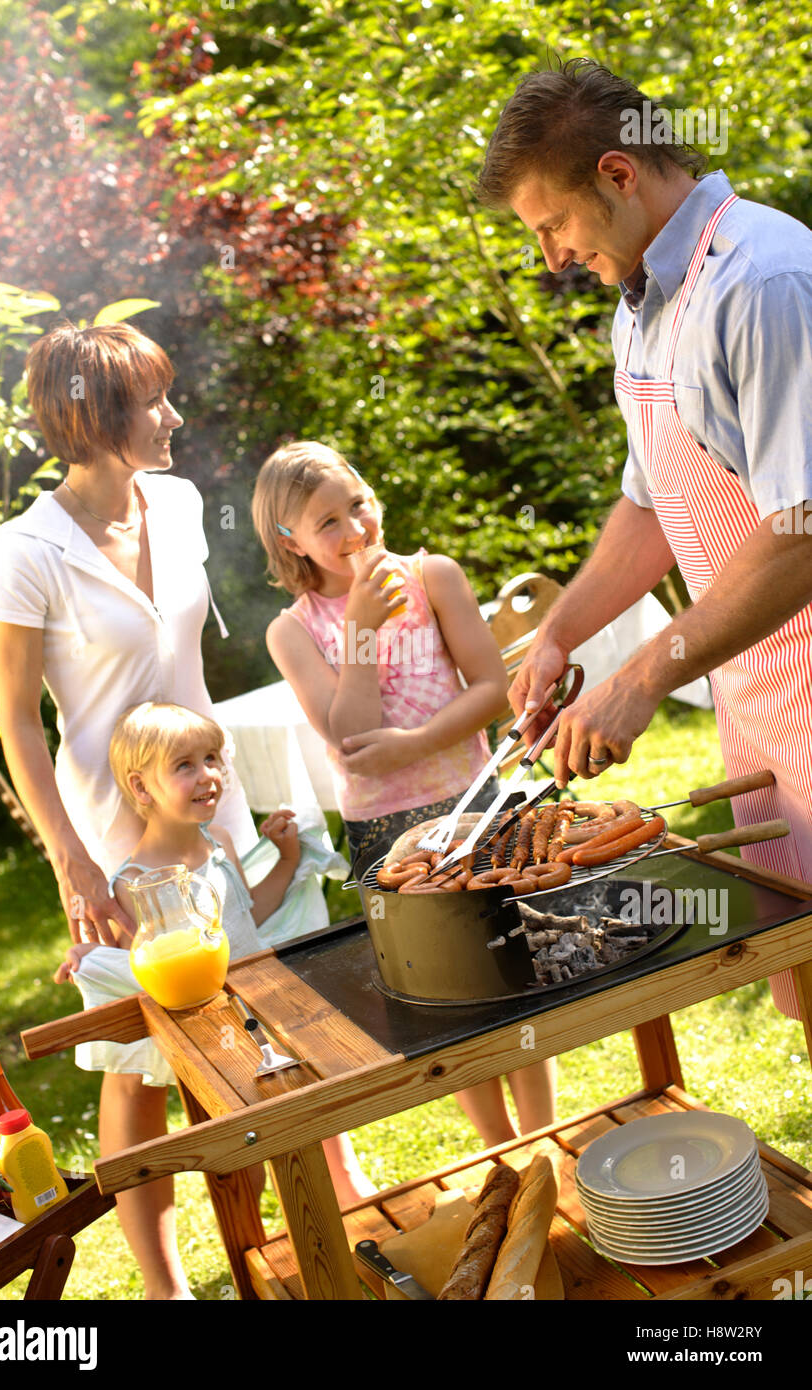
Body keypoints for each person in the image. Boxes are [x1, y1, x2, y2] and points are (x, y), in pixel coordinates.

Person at [475, 56, 812, 1020]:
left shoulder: (763, 278)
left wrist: (643, 675)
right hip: (762, 702)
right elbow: (653, 503)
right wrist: (562, 636)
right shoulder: (644, 305)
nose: (550, 258)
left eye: (554, 225)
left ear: (619, 176)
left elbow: (802, 534)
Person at [251, 439, 556, 1144]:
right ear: (287, 539)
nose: (355, 529)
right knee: (439, 997)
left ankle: (542, 1139)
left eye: (357, 504)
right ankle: (499, 1148)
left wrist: (419, 744)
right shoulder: (291, 632)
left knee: (514, 971)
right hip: (385, 832)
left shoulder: (434, 576)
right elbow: (353, 744)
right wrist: (359, 628)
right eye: (327, 522)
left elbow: (490, 693)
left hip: (471, 803)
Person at [0, 320, 256, 948]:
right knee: (161, 1001)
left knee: (261, 975)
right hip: (110, 819)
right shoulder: (24, 553)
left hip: (208, 788)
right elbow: (17, 718)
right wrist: (67, 854)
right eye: (152, 403)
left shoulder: (181, 504)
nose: (174, 417)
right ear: (93, 418)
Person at [57, 701, 300, 1299]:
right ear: (141, 786)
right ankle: (187, 1274)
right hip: (195, 1036)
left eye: (212, 759)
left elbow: (246, 918)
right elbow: (137, 971)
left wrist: (291, 859)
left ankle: (266, 1242)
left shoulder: (217, 842)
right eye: (185, 765)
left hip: (246, 1021)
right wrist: (90, 960)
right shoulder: (133, 883)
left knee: (262, 1141)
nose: (208, 775)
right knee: (223, 1144)